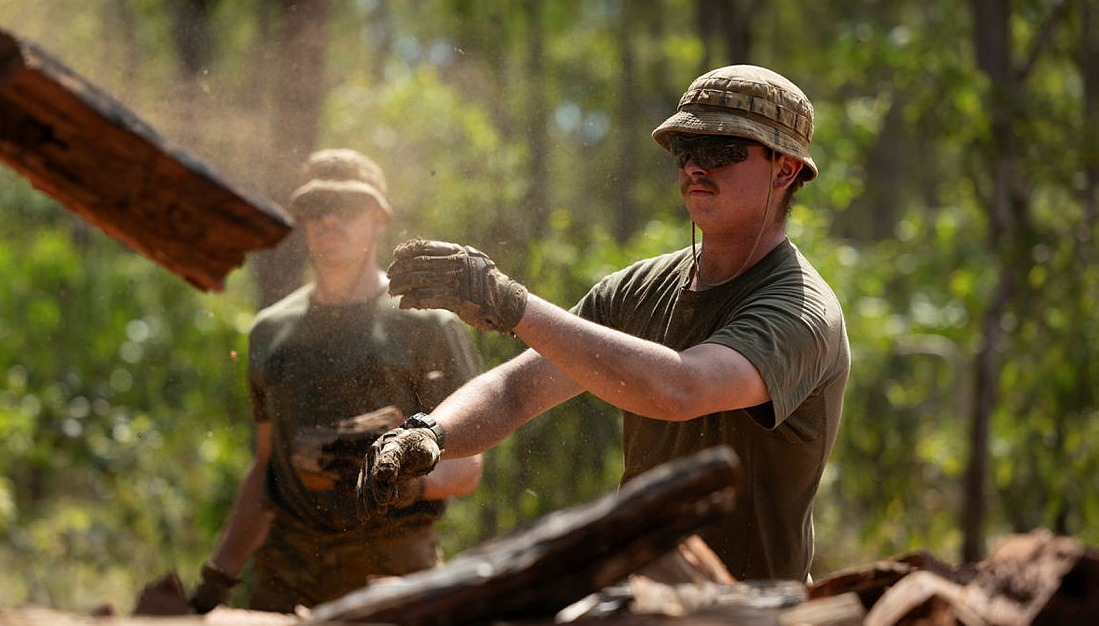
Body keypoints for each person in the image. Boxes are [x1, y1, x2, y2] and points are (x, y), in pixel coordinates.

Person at [357, 65, 850, 581]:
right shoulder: (637, 291)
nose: (696, 168)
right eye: (686, 148)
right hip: (640, 599)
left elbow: (681, 387)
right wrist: (429, 434)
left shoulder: (799, 309)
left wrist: (509, 304)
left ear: (784, 170)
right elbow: (515, 390)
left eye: (722, 149)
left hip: (754, 618)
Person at [189, 149, 484, 613]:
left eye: (347, 208)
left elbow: (467, 466)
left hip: (394, 574)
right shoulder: (271, 331)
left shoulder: (425, 323)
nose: (330, 220)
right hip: (286, 576)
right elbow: (267, 468)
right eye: (316, 209)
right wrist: (219, 575)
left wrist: (403, 482)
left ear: (379, 218)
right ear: (302, 221)